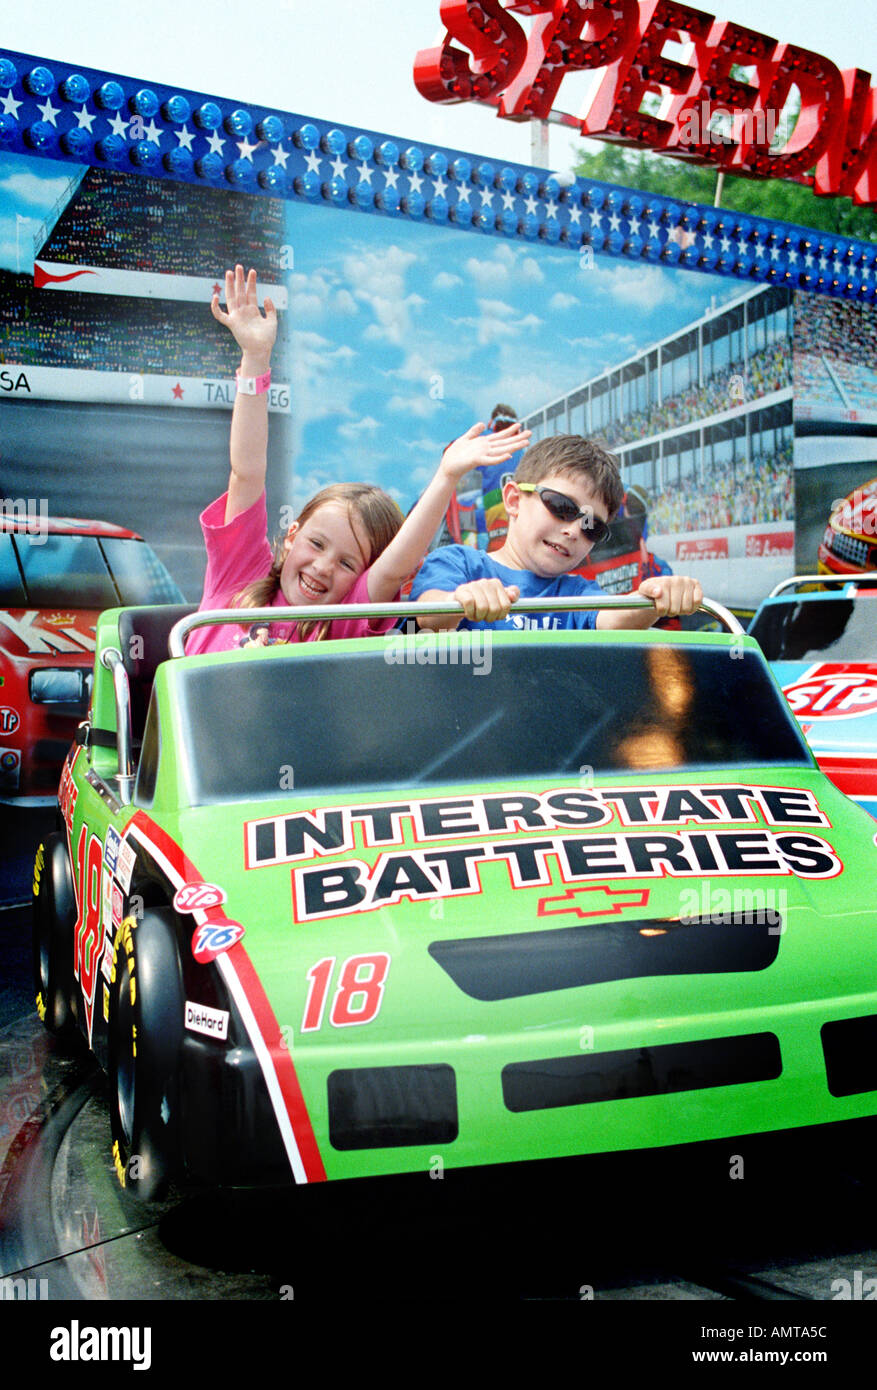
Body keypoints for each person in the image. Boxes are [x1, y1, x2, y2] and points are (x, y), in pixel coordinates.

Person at [187, 265, 530, 653]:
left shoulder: (344, 621)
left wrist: (447, 476)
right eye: (316, 544)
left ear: (361, 577)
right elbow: (246, 472)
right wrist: (255, 359)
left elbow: (397, 564)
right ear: (291, 537)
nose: (322, 567)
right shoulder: (241, 571)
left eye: (347, 564)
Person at [411, 434, 702, 630]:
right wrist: (462, 600)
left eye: (591, 526)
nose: (574, 530)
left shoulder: (577, 592)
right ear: (513, 500)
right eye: (561, 506)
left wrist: (654, 599)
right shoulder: (459, 563)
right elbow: (428, 614)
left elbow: (614, 619)